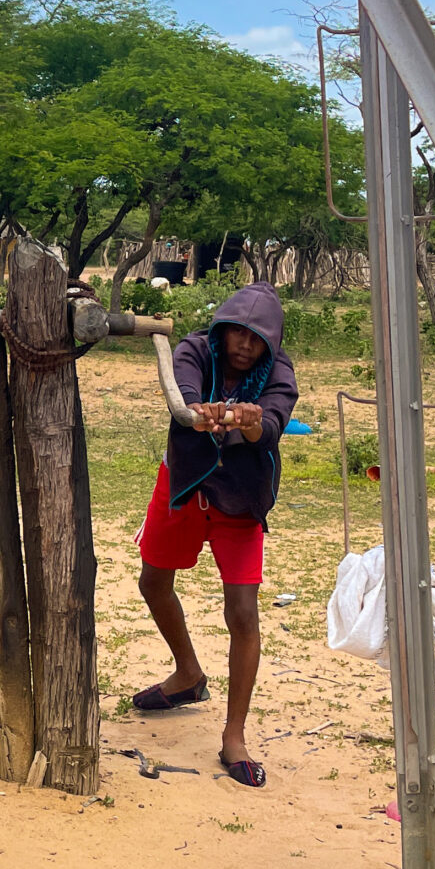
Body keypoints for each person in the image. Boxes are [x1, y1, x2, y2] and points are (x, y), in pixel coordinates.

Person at [130, 280, 298, 789]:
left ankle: (234, 736)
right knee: (153, 583)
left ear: (271, 344)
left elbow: (273, 422)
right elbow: (181, 392)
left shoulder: (279, 372)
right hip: (185, 483)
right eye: (238, 335)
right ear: (222, 329)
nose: (245, 347)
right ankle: (188, 675)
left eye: (257, 340)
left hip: (241, 498)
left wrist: (250, 423)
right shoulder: (196, 350)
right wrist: (196, 409)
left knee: (242, 612)